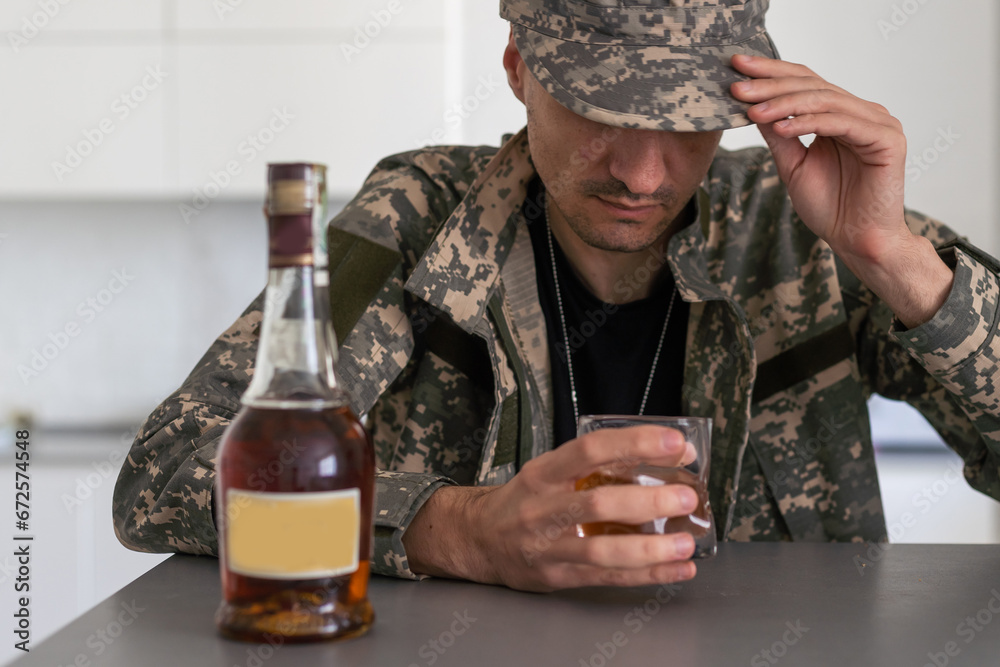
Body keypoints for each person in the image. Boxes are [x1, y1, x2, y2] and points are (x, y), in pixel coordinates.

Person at [113, 0, 1000, 593]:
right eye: (604, 110)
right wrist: (455, 529)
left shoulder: (804, 233)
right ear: (518, 68)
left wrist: (897, 259)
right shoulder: (418, 216)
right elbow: (167, 474)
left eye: (687, 118)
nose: (643, 172)